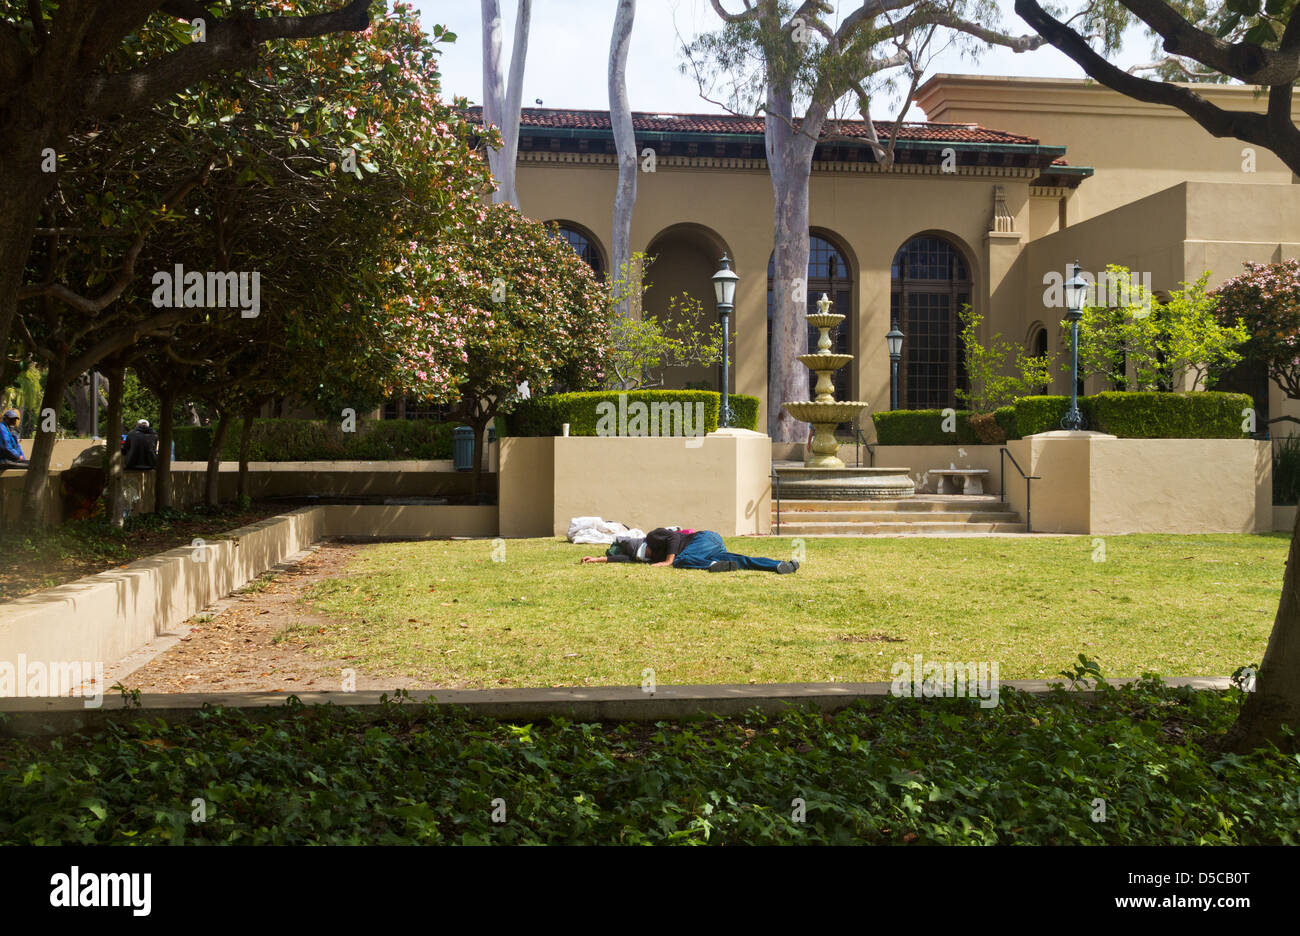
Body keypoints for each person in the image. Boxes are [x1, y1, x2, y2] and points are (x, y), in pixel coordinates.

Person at [581, 526, 798, 573]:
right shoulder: (643, 558)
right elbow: (622, 559)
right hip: (707, 550)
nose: (647, 557)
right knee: (742, 560)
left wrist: (668, 560)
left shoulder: (653, 536)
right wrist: (597, 559)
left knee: (679, 561)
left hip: (705, 539)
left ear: (644, 545)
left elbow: (675, 537)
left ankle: (713, 566)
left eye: (645, 553)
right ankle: (779, 565)